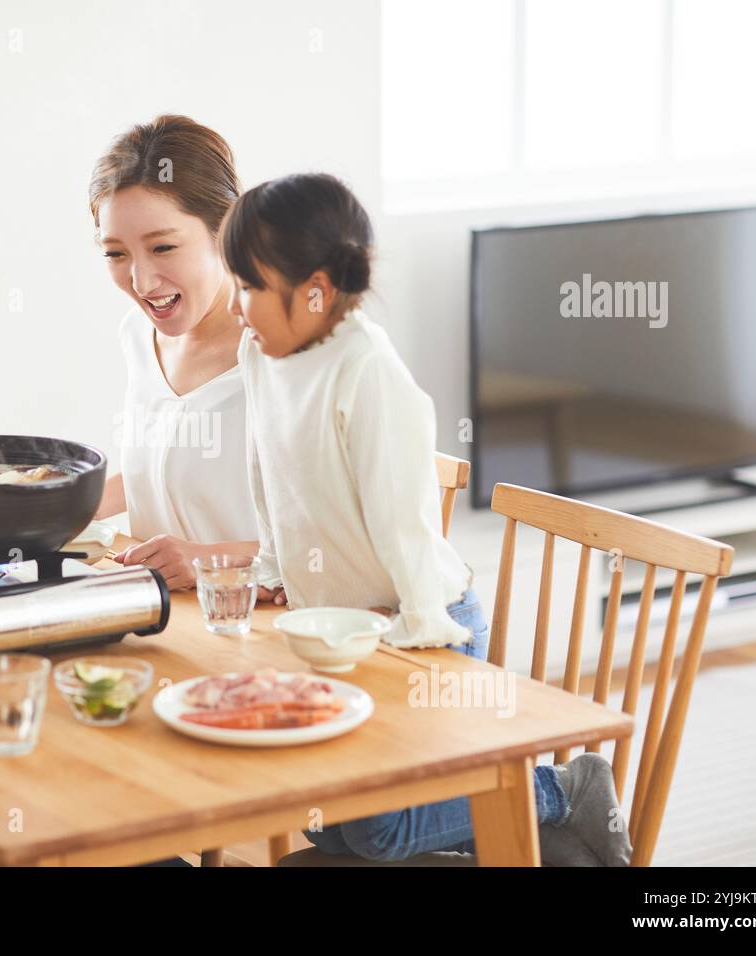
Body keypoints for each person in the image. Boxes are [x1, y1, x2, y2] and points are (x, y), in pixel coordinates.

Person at [222, 172, 631, 866]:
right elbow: (270, 480)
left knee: (377, 834)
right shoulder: (261, 355)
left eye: (250, 286)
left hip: (421, 621)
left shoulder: (368, 371)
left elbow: (404, 520)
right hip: (345, 628)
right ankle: (477, 835)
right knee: (329, 825)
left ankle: (560, 789)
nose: (236, 306)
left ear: (316, 290)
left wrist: (419, 630)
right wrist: (271, 567)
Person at [89, 115, 269, 593]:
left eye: (163, 247)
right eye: (115, 254)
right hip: (186, 618)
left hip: (302, 626)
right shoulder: (138, 334)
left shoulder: (281, 350)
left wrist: (208, 560)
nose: (141, 283)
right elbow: (171, 465)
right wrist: (55, 510)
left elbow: (340, 544)